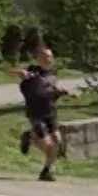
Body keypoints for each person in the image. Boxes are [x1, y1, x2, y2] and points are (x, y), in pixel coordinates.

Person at [14, 47, 72, 182]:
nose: (49, 59)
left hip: (51, 111)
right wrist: (22, 73)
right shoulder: (33, 71)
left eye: (50, 56)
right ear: (39, 58)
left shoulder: (52, 72)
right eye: (46, 56)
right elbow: (21, 74)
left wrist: (66, 92)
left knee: (57, 141)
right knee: (50, 146)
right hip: (36, 113)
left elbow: (53, 86)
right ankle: (29, 138)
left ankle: (45, 172)